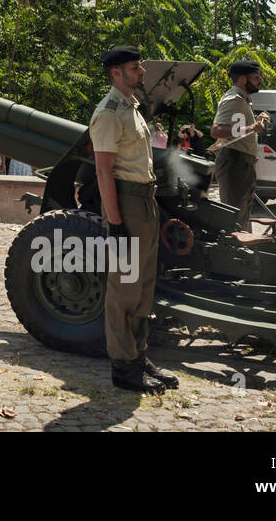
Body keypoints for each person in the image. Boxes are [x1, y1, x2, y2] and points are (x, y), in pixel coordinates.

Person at [89, 44, 179, 395]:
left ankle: (139, 357)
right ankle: (123, 367)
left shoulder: (131, 107)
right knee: (124, 288)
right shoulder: (110, 112)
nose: (142, 72)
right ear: (116, 73)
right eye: (135, 67)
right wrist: (114, 222)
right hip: (125, 203)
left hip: (144, 202)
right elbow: (103, 170)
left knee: (142, 287)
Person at [209, 59, 271, 230]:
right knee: (234, 219)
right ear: (243, 79)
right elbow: (216, 131)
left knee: (242, 218)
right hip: (234, 162)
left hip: (243, 163)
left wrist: (256, 122)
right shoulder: (234, 99)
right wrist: (251, 127)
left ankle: (244, 254)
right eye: (256, 77)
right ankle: (233, 254)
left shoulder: (242, 99)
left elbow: (237, 128)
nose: (260, 81)